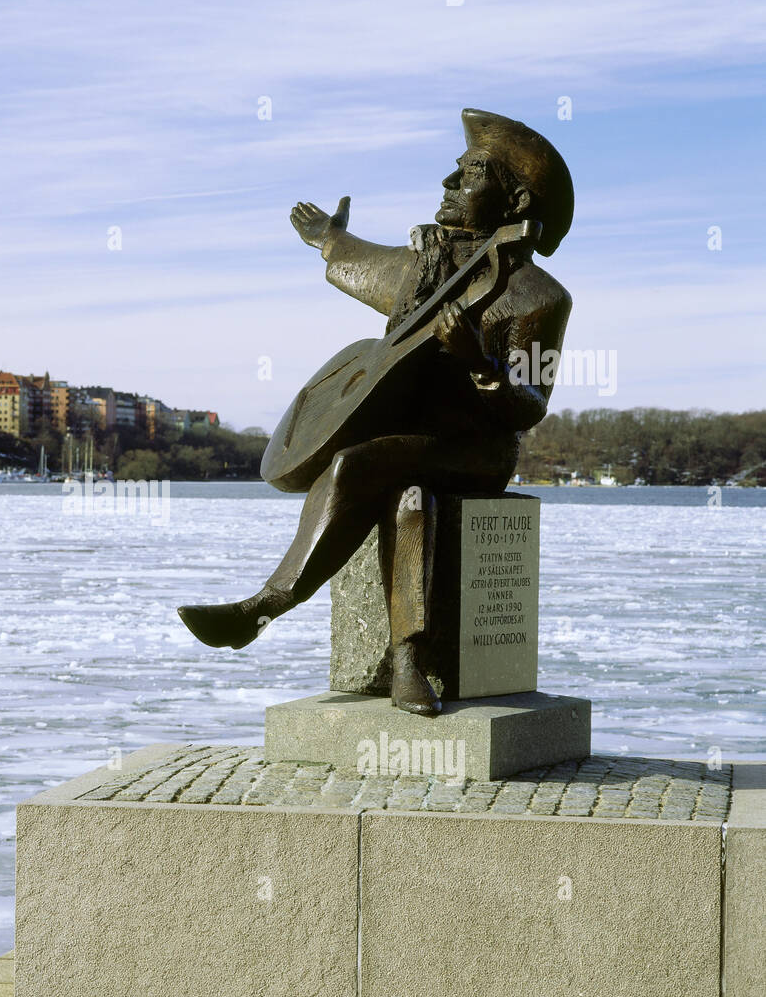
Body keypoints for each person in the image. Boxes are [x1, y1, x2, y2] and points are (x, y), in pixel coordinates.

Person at [178, 109, 573, 716]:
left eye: (468, 174)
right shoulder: (425, 271)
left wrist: (478, 365)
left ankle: (266, 605)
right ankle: (409, 661)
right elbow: (362, 261)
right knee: (409, 495)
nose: (447, 182)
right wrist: (328, 240)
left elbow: (530, 406)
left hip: (477, 449)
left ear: (513, 197)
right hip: (411, 443)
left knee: (356, 466)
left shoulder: (539, 296)